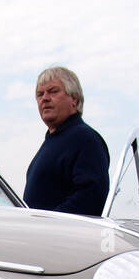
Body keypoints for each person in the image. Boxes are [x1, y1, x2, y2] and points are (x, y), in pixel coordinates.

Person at [23, 66, 110, 216]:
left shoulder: (85, 139)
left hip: (60, 236)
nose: (45, 98)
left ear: (74, 99)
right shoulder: (50, 143)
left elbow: (91, 197)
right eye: (39, 94)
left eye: (53, 91)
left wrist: (46, 224)